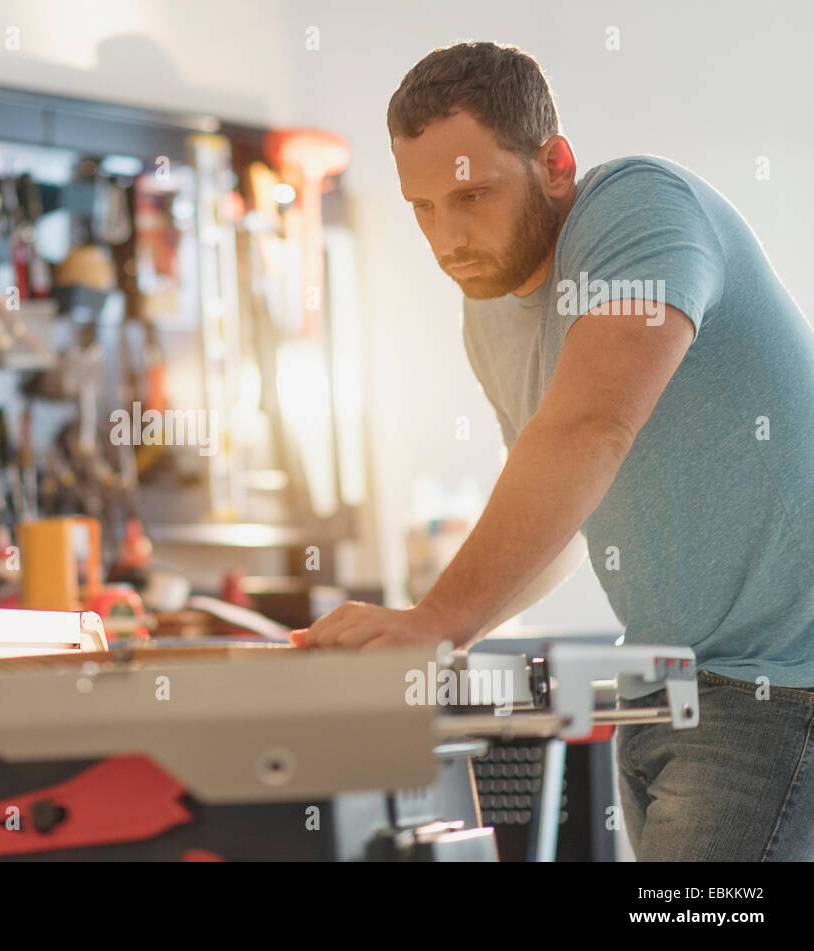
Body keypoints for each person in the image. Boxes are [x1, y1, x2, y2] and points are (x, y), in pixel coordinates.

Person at [293, 41, 814, 861]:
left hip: (779, 685)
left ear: (556, 163)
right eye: (423, 206)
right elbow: (566, 517)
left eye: (471, 193)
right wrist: (439, 635)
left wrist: (436, 621)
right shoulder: (489, 306)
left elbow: (588, 431)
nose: (448, 237)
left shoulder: (641, 208)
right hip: (666, 683)